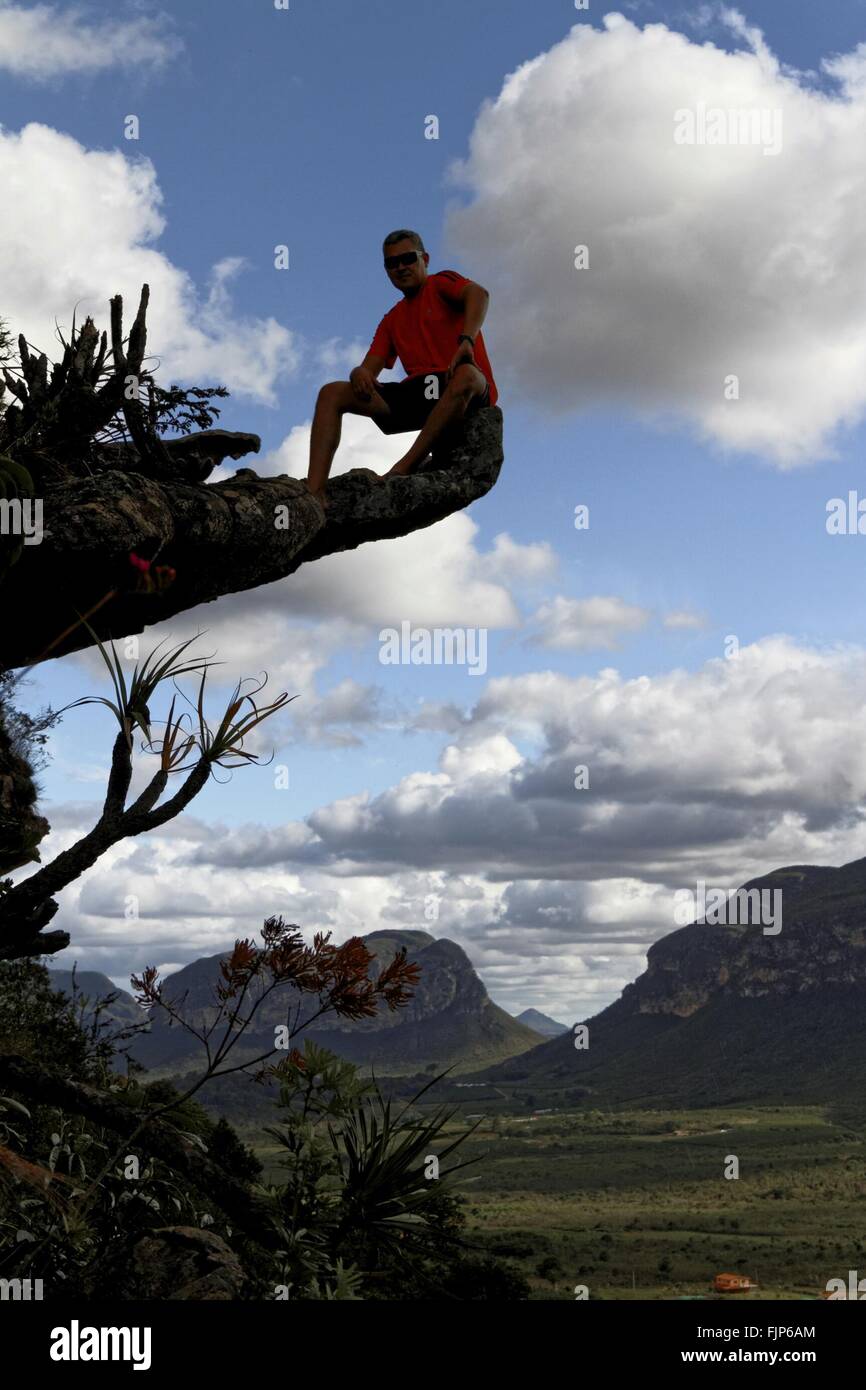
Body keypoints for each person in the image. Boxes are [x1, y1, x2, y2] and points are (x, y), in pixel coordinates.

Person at [306, 229, 496, 501]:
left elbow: (479, 294)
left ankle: (403, 467)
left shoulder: (441, 284)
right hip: (419, 395)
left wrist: (467, 340)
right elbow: (367, 370)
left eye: (408, 258)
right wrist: (358, 372)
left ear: (425, 259)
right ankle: (315, 492)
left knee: (466, 375)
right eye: (392, 263)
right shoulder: (392, 319)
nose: (401, 267)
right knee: (331, 393)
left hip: (467, 386)